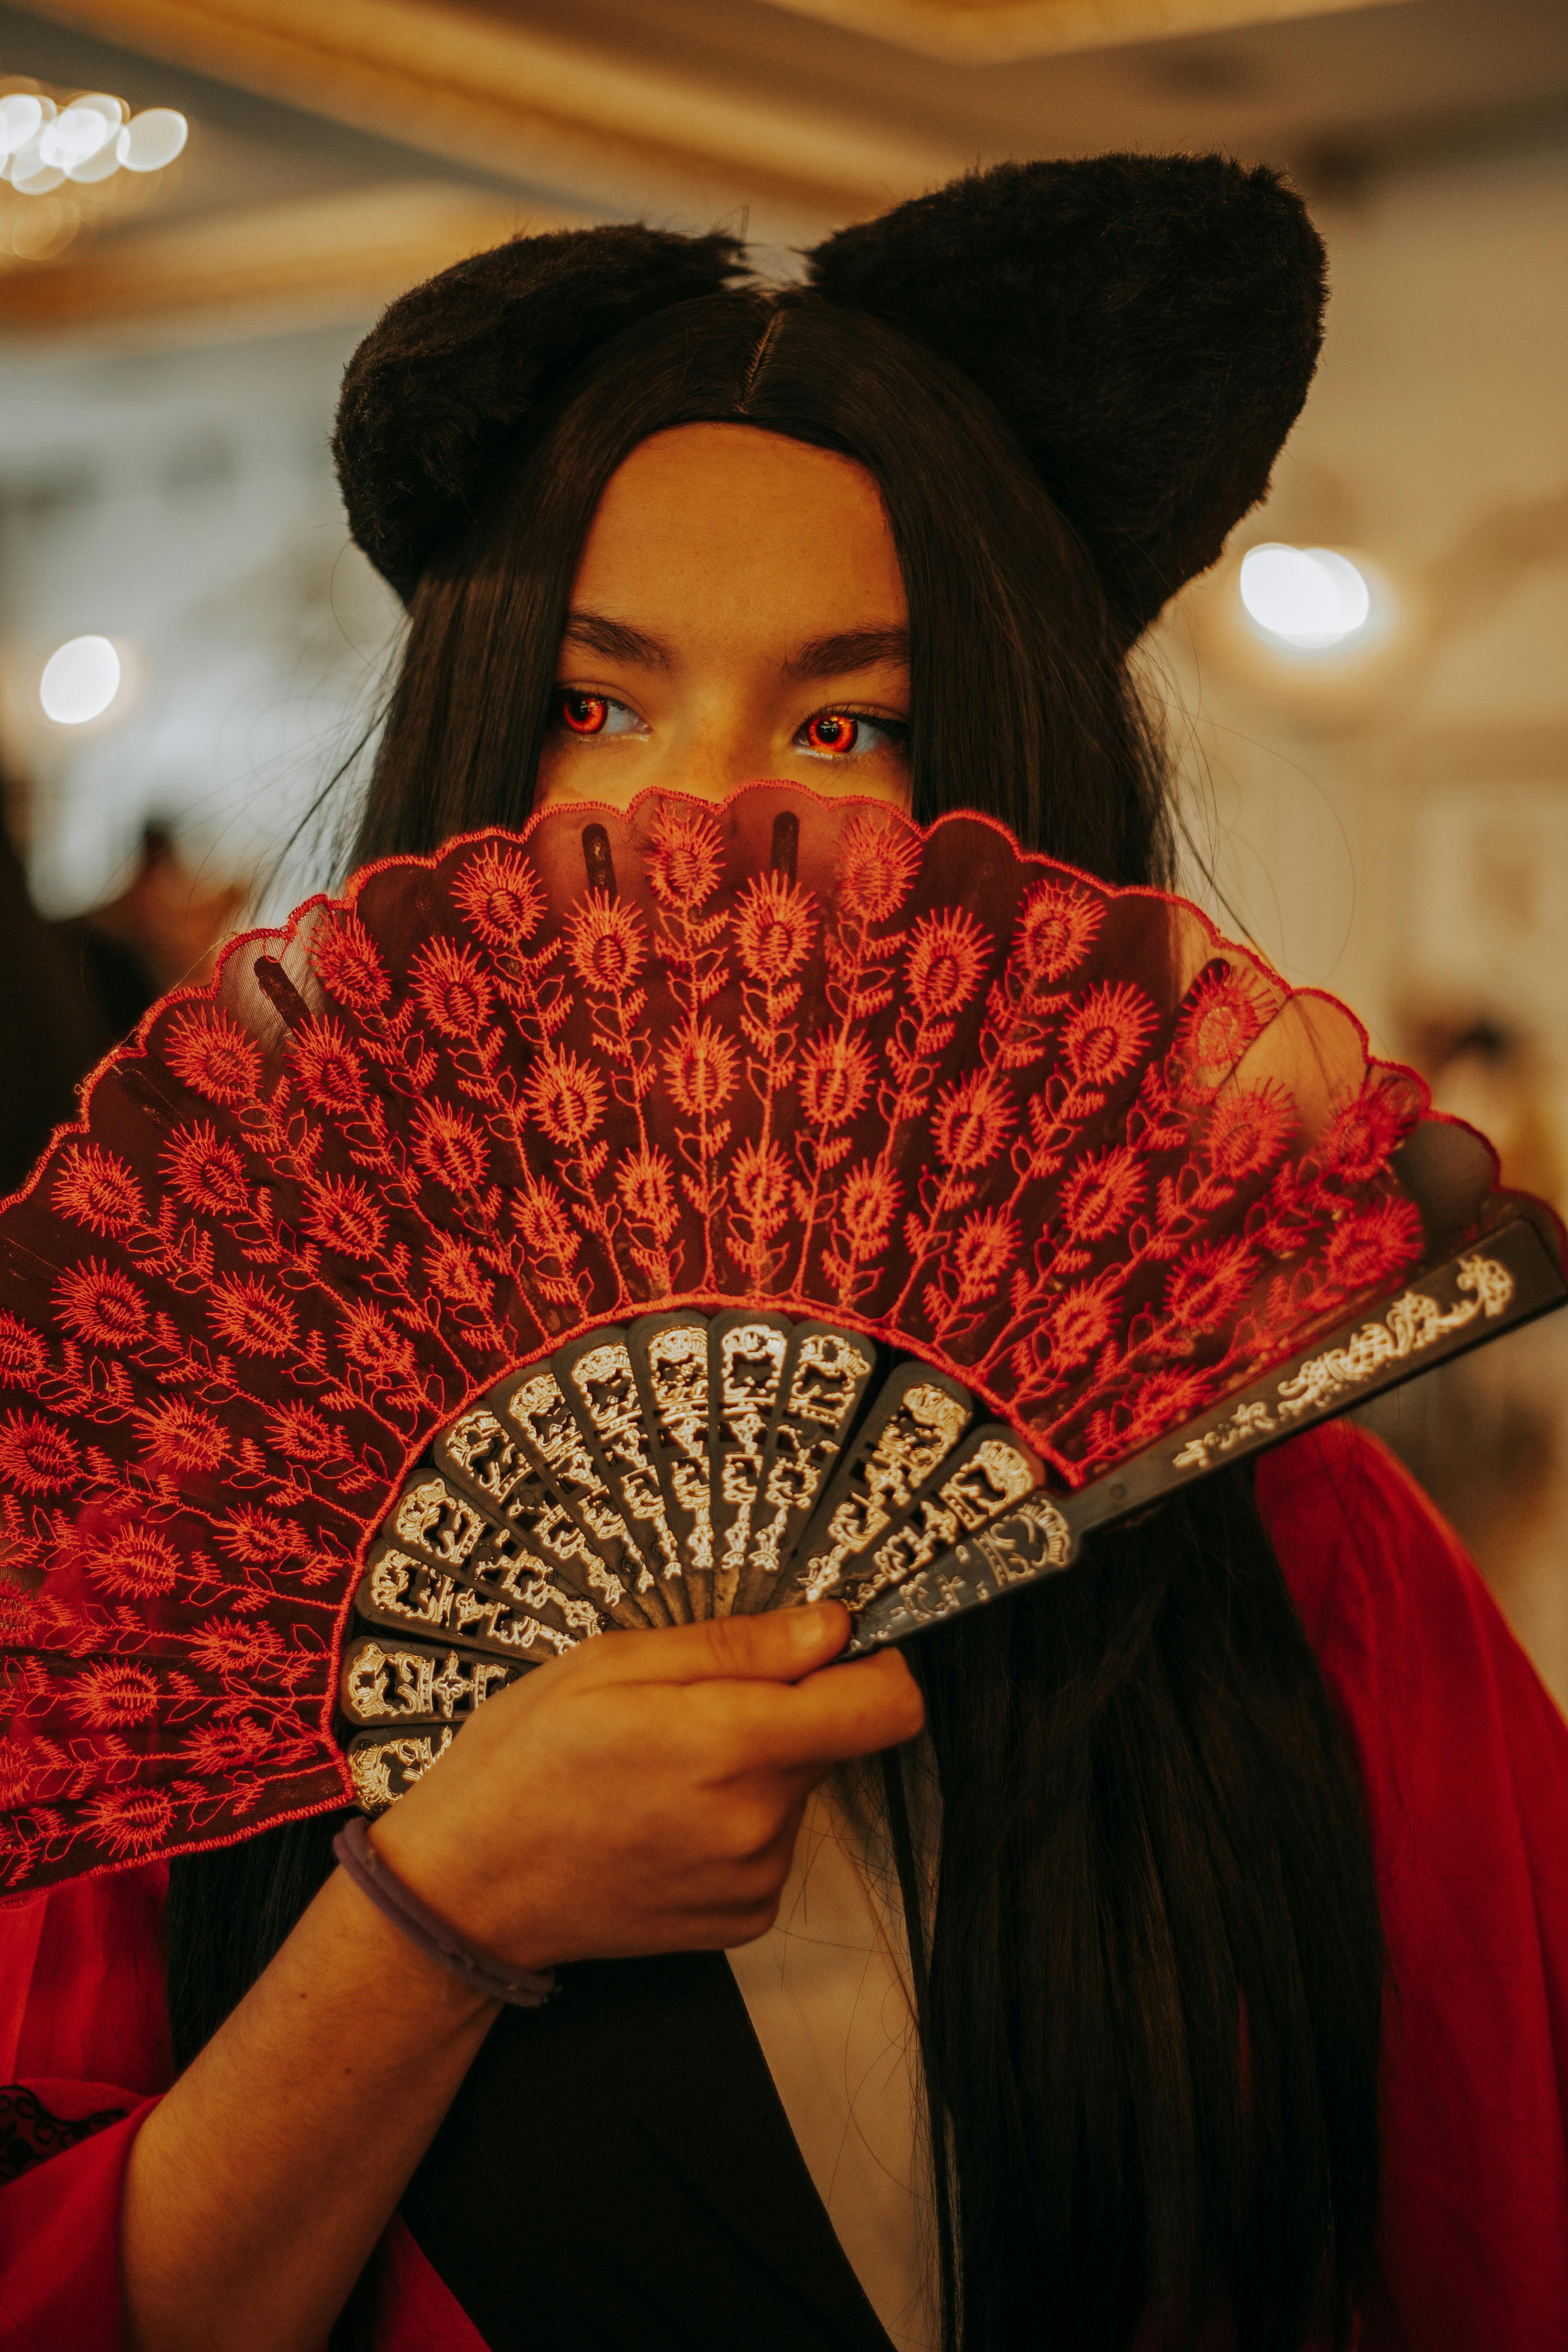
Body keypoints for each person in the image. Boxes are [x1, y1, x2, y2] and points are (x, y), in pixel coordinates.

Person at [2, 154, 1566, 2352]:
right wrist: (431, 1915)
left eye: (852, 725)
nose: (696, 817)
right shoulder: (156, 1548)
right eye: (596, 701)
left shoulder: (1303, 1553)